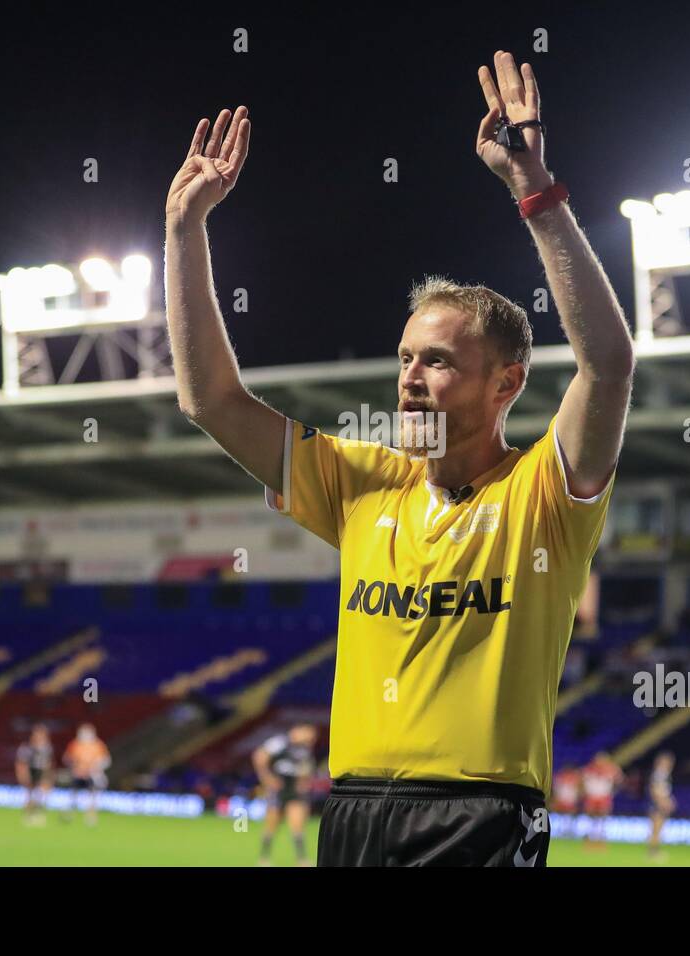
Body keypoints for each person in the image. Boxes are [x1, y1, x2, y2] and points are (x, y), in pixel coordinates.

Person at [164, 49, 634, 866]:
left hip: (480, 820)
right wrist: (184, 231)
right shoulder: (361, 481)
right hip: (352, 817)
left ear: (505, 384)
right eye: (406, 357)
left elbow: (609, 366)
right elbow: (211, 399)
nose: (411, 378)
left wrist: (537, 192)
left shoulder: (542, 495)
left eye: (440, 361)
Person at [253, 724, 318, 866]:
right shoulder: (280, 742)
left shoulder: (305, 749)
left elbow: (306, 768)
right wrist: (266, 778)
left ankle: (302, 860)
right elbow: (259, 756)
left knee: (297, 825)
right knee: (272, 824)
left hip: (295, 791)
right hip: (278, 789)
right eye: (308, 734)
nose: (311, 738)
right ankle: (264, 858)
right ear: (297, 730)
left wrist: (304, 781)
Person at [61, 723, 111, 826]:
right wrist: (75, 766)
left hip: (91, 775)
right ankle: (70, 813)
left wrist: (95, 767)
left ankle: (91, 816)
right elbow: (67, 758)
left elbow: (106, 760)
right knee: (74, 794)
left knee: (92, 795)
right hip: (78, 774)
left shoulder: (98, 745)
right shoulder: (75, 744)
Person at [581, 751, 623, 850]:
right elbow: (582, 780)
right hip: (592, 797)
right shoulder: (589, 769)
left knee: (602, 818)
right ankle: (589, 839)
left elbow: (620, 780)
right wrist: (585, 791)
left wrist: (613, 792)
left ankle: (600, 839)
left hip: (604, 797)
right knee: (590, 818)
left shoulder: (612, 769)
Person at [14, 723, 54, 826]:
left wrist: (48, 774)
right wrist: (23, 774)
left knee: (42, 793)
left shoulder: (47, 748)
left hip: (41, 771)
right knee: (30, 794)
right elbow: (21, 762)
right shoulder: (27, 747)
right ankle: (27, 815)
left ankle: (38, 814)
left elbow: (48, 762)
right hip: (31, 771)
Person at [647, 751, 676, 860]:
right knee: (656, 829)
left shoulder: (663, 774)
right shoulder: (660, 774)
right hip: (657, 804)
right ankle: (653, 853)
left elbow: (664, 790)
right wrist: (663, 802)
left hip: (658, 803)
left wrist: (669, 800)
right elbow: (654, 789)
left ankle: (653, 852)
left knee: (657, 830)